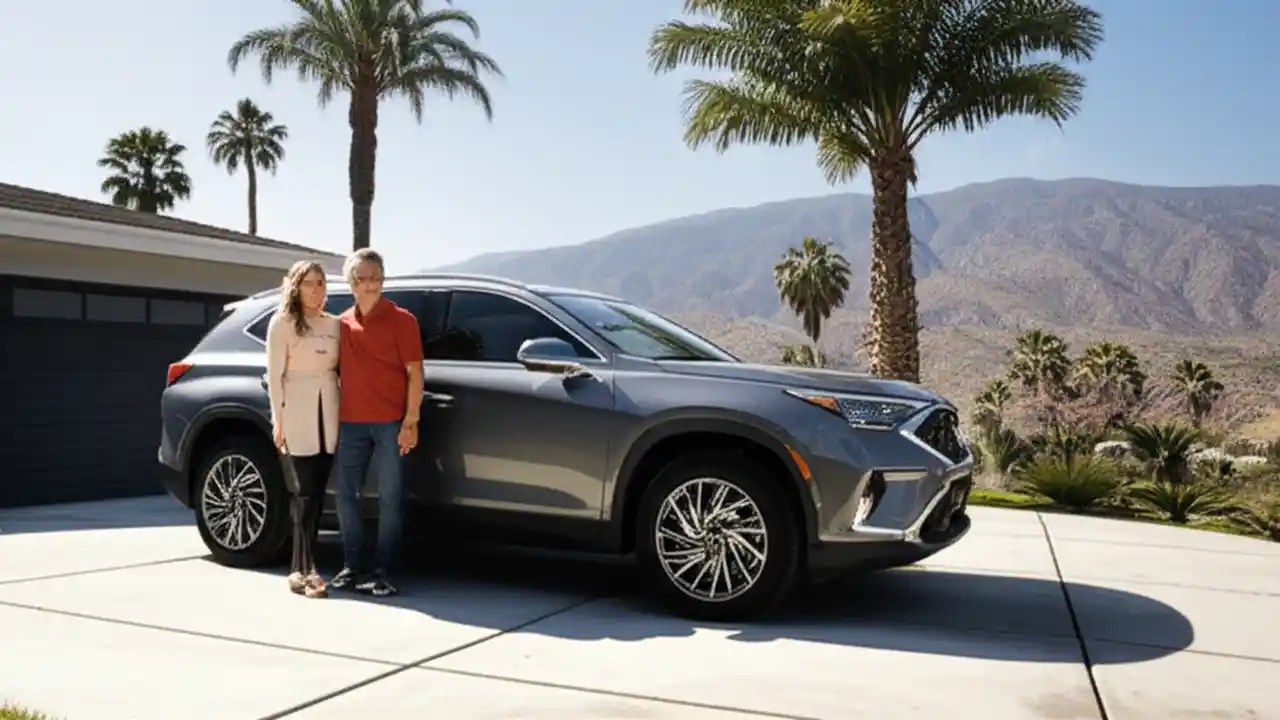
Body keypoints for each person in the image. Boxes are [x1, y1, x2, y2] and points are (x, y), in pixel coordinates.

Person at [329, 248, 423, 597]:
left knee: (390, 499)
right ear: (351, 282)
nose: (371, 285)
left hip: (390, 423)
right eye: (364, 278)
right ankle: (352, 567)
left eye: (376, 278)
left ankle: (383, 572)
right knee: (345, 496)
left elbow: (416, 373)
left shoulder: (403, 321)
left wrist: (410, 420)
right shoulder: (340, 325)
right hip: (351, 424)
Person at [265, 260, 341, 599]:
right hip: (296, 411)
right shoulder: (281, 325)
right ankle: (303, 570)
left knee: (318, 495)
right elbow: (275, 377)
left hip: (329, 413)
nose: (316, 290)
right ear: (296, 286)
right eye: (309, 283)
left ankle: (306, 567)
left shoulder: (334, 325)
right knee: (303, 494)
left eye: (321, 283)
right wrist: (277, 420)